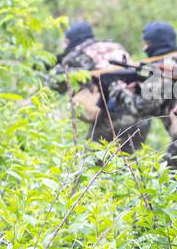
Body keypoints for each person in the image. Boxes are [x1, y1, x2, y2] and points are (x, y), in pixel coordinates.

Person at [106, 20, 177, 172]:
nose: (144, 48)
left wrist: (119, 90)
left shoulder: (164, 69)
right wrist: (139, 88)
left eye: (147, 43)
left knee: (158, 187)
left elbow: (141, 107)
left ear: (156, 44)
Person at [51, 21, 147, 152]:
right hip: (141, 114)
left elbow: (53, 87)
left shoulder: (77, 55)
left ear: (72, 40)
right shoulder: (113, 46)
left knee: (93, 163)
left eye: (66, 42)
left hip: (114, 115)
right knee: (127, 164)